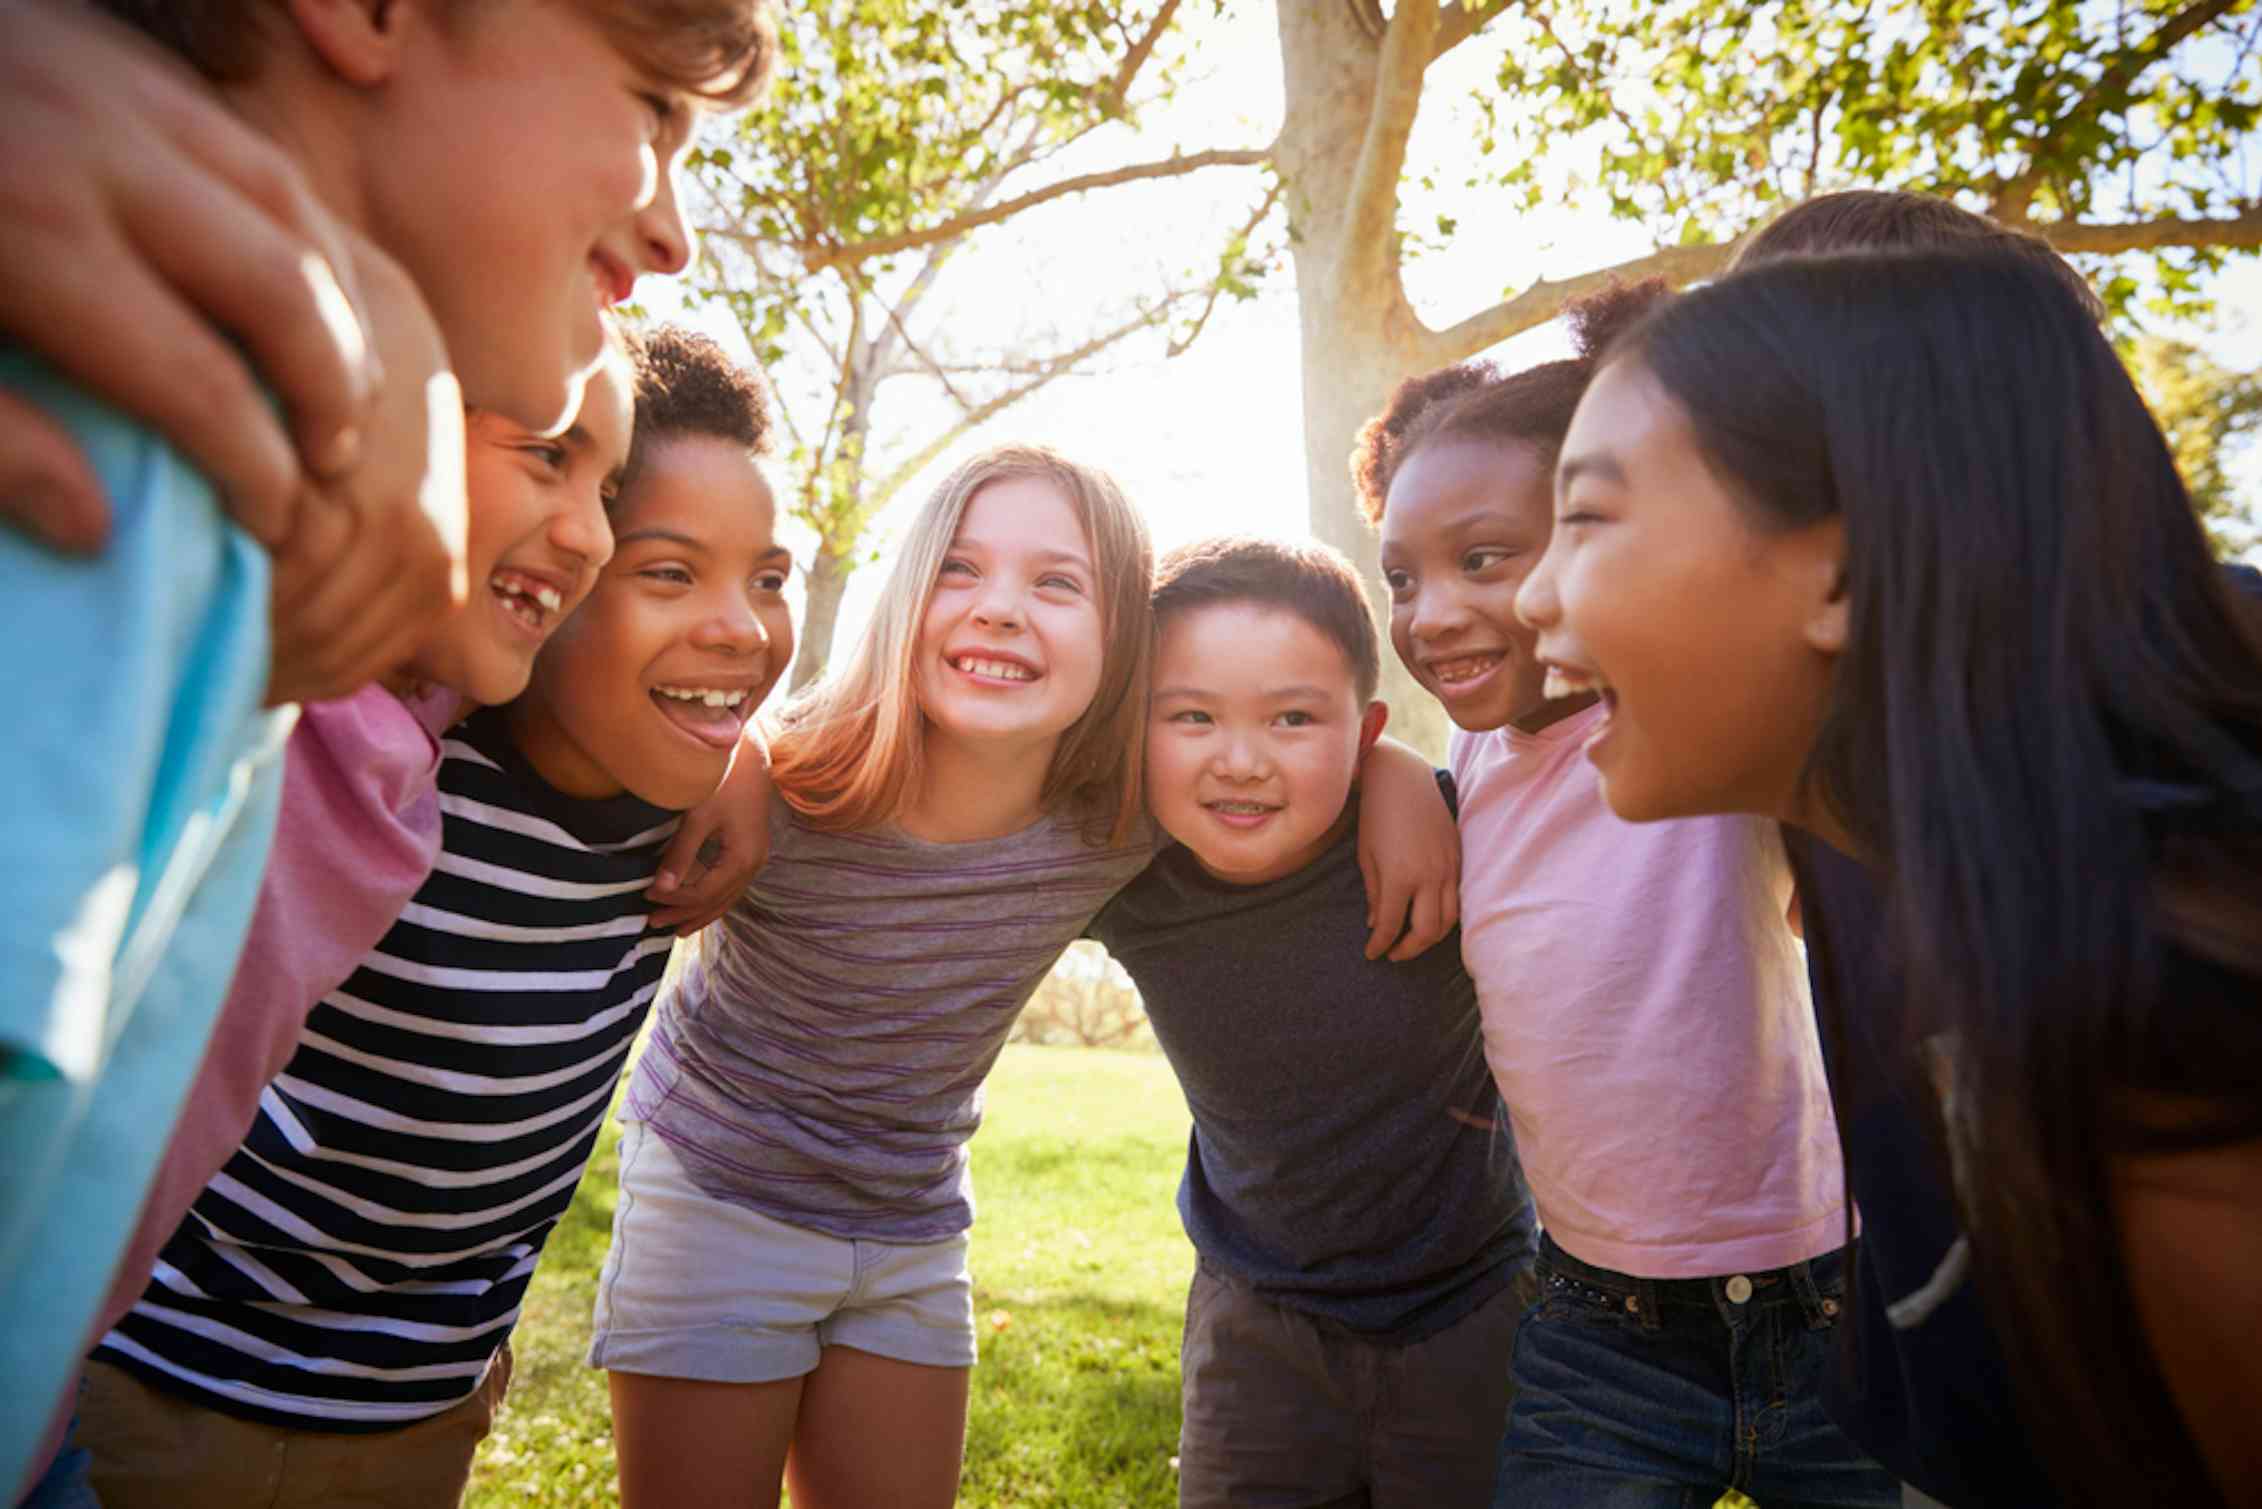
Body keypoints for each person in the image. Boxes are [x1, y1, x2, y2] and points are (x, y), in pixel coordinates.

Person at [1516, 249, 2262, 1508]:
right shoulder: (1980, 908)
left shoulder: (2162, 1039)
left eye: (1586, 517)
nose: (1535, 595)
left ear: (1850, 573)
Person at [590, 444, 1458, 1509]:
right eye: (962, 568)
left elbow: (1274, 740)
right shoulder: (788, 787)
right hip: (722, 1198)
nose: (1001, 608)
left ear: (1119, 645)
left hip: (909, 1223)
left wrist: (1395, 770)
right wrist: (740, 760)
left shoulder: (1114, 824)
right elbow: (688, 727)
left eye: (1058, 583)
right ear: (908, 593)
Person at [79, 327, 792, 1509]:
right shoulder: (398, 759)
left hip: (421, 1418)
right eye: (669, 573)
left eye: (768, 578)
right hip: (162, 1381)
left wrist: (748, 752)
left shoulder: (682, 822)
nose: (744, 628)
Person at [1355, 286, 1895, 1509]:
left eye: (1483, 559)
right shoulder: (1474, 765)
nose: (1431, 614)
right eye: (1403, 578)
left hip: (1831, 1302)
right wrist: (1388, 768)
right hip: (1600, 1331)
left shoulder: (1709, 726)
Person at [1085, 535, 1539, 1509]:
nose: (1240, 761)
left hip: (1474, 1309)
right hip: (1258, 1323)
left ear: (1363, 729)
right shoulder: (1129, 877)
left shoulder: (1457, 837)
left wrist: (1404, 776)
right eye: (1193, 716)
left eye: (1293, 718)